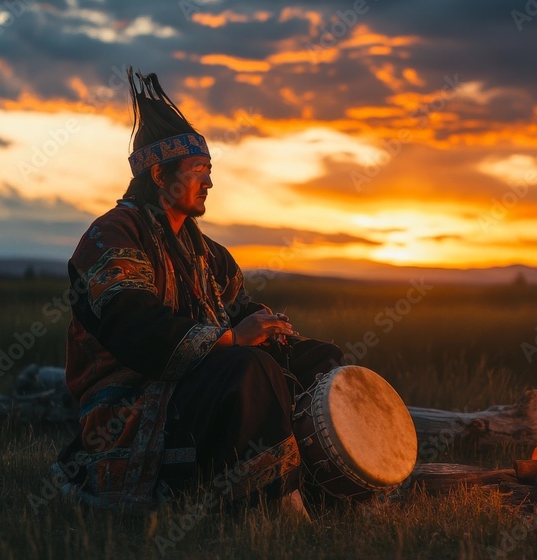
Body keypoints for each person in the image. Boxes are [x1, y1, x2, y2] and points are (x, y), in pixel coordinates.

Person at [54, 68, 342, 516]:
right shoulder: (111, 236)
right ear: (159, 174)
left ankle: (331, 488)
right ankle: (265, 508)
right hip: (135, 403)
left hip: (197, 385)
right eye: (199, 170)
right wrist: (232, 339)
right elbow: (138, 331)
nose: (209, 182)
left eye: (210, 171)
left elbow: (239, 309)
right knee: (248, 367)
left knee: (321, 361)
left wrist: (274, 329)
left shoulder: (208, 252)